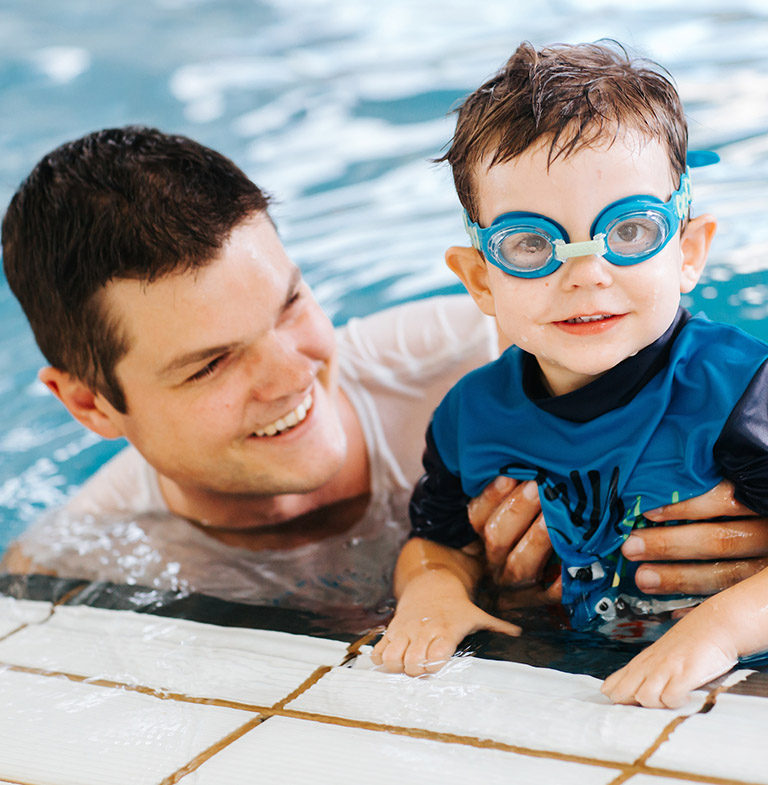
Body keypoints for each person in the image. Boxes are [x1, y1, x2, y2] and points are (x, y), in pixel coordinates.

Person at [1, 126, 767, 617]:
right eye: (211, 364)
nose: (290, 375)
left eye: (290, 305)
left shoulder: (498, 352)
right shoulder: (68, 569)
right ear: (90, 404)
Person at [371, 41, 768, 708]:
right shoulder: (471, 416)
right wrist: (434, 588)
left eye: (631, 232)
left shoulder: (738, 394)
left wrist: (720, 631)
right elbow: (437, 542)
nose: (586, 273)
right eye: (531, 244)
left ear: (689, 251)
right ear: (481, 280)